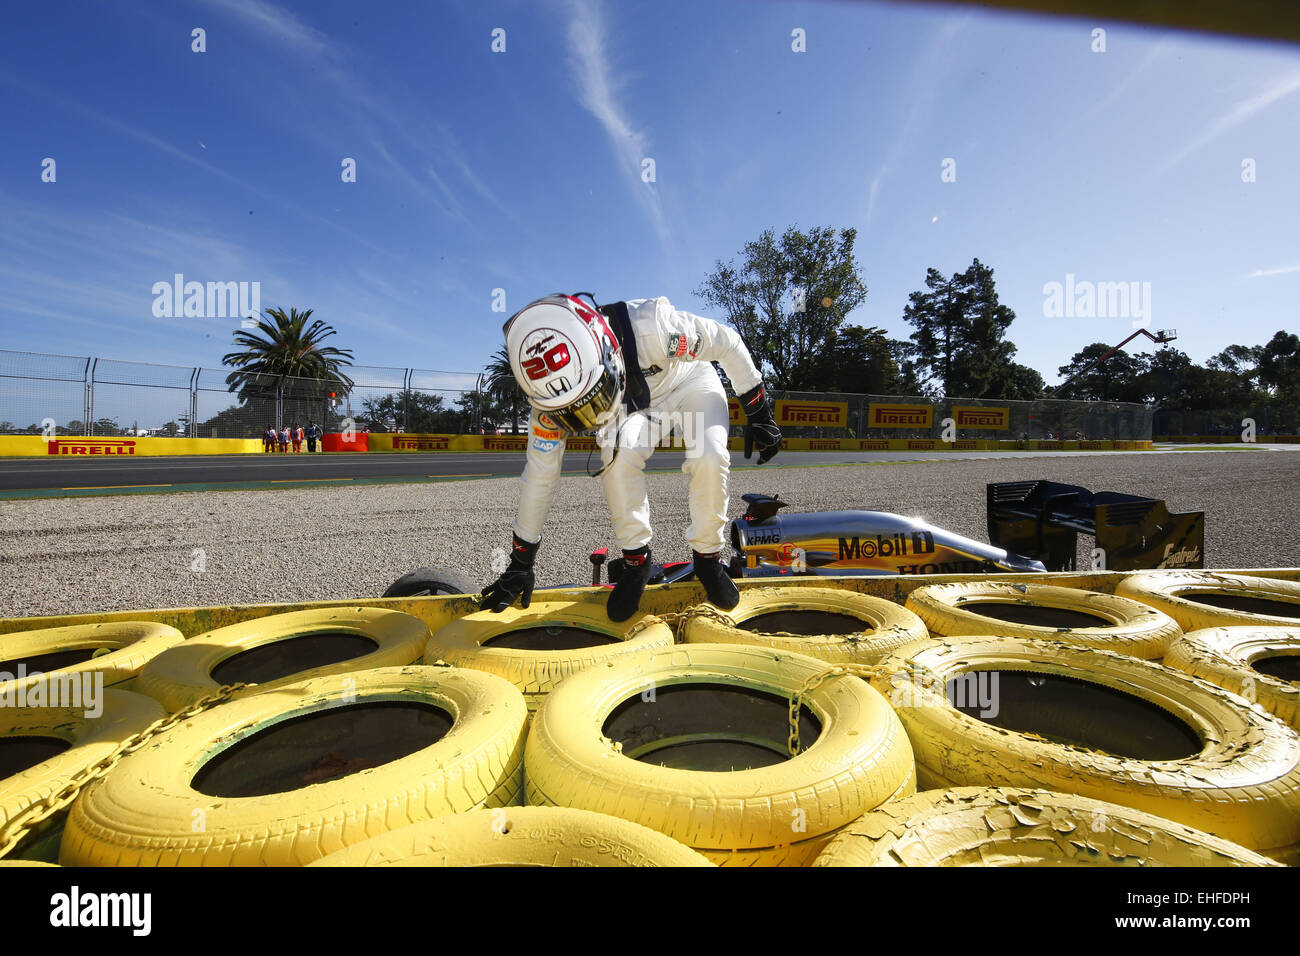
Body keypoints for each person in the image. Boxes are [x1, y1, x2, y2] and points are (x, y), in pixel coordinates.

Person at [479, 293, 781, 622]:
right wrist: (521, 563)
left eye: (592, 402)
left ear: (606, 352)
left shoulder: (657, 329)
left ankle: (708, 559)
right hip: (636, 404)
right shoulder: (546, 403)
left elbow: (728, 342)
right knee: (616, 461)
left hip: (689, 380)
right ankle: (636, 562)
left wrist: (758, 409)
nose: (588, 419)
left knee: (710, 456)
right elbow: (539, 477)